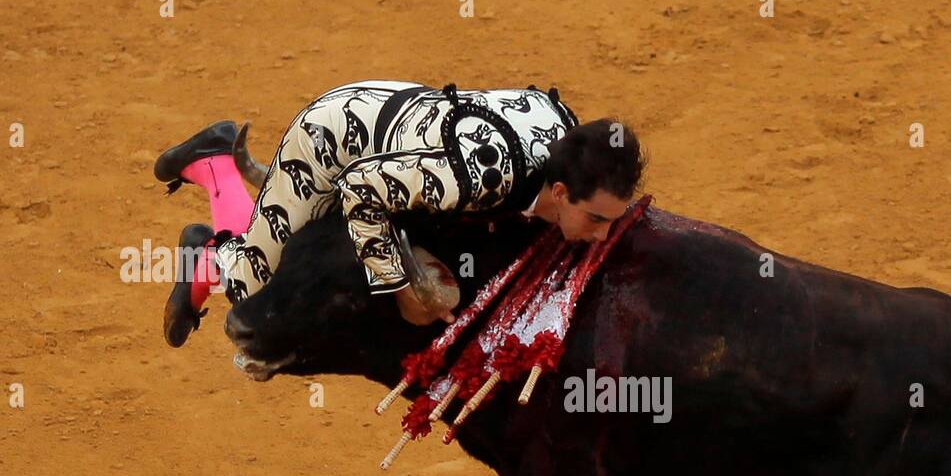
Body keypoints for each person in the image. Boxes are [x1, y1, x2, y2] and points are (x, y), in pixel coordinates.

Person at [154, 80, 645, 347]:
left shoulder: (574, 145)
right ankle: (214, 174)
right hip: (333, 143)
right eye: (596, 221)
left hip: (400, 127)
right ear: (559, 192)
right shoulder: (477, 178)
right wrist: (404, 289)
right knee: (256, 288)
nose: (601, 237)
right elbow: (359, 188)